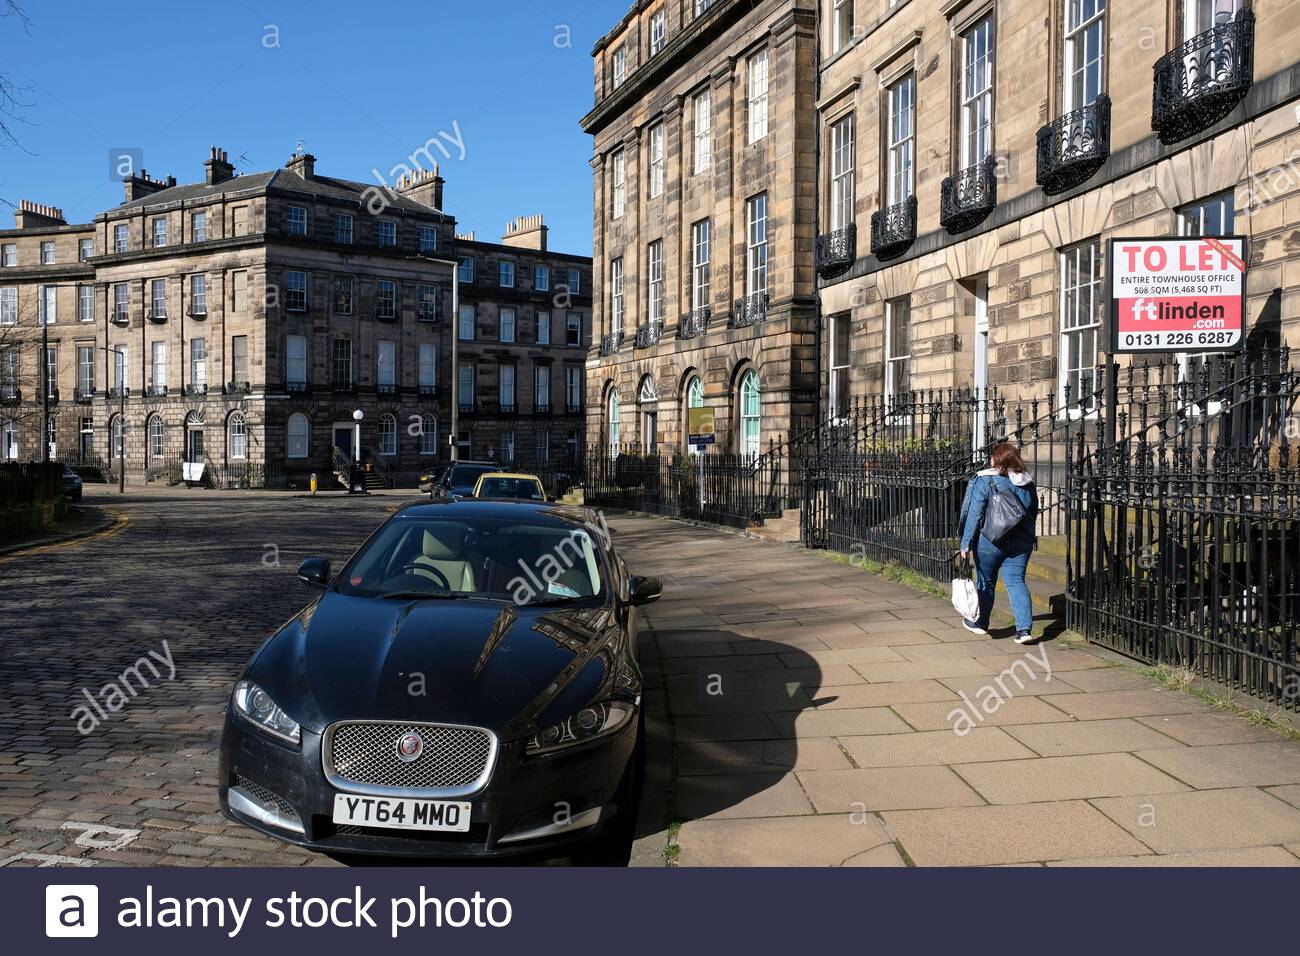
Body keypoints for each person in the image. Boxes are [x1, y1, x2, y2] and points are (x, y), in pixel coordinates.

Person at [957, 442, 1038, 644]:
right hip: (1020, 542)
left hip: (989, 542)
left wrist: (965, 543)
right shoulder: (1027, 482)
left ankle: (981, 623)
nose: (991, 459)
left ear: (998, 458)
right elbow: (1032, 512)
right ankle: (1024, 630)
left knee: (986, 582)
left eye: (993, 456)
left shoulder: (985, 480)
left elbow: (974, 514)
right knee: (1016, 581)